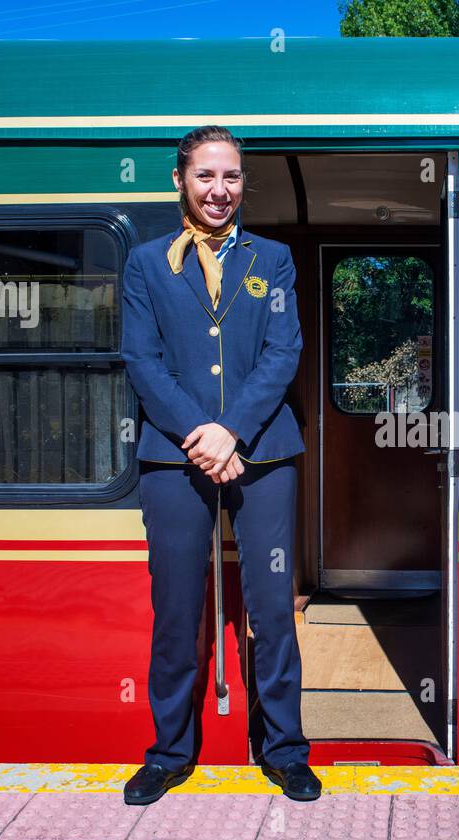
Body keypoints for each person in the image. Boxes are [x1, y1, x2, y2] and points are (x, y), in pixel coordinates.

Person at [120, 125, 319, 805]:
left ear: (243, 184)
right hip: (172, 457)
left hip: (264, 451)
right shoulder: (147, 264)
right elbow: (143, 362)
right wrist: (199, 434)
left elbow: (282, 354)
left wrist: (230, 432)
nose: (219, 189)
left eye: (230, 176)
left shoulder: (276, 259)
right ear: (179, 180)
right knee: (177, 608)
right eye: (205, 175)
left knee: (270, 609)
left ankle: (286, 750)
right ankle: (170, 751)